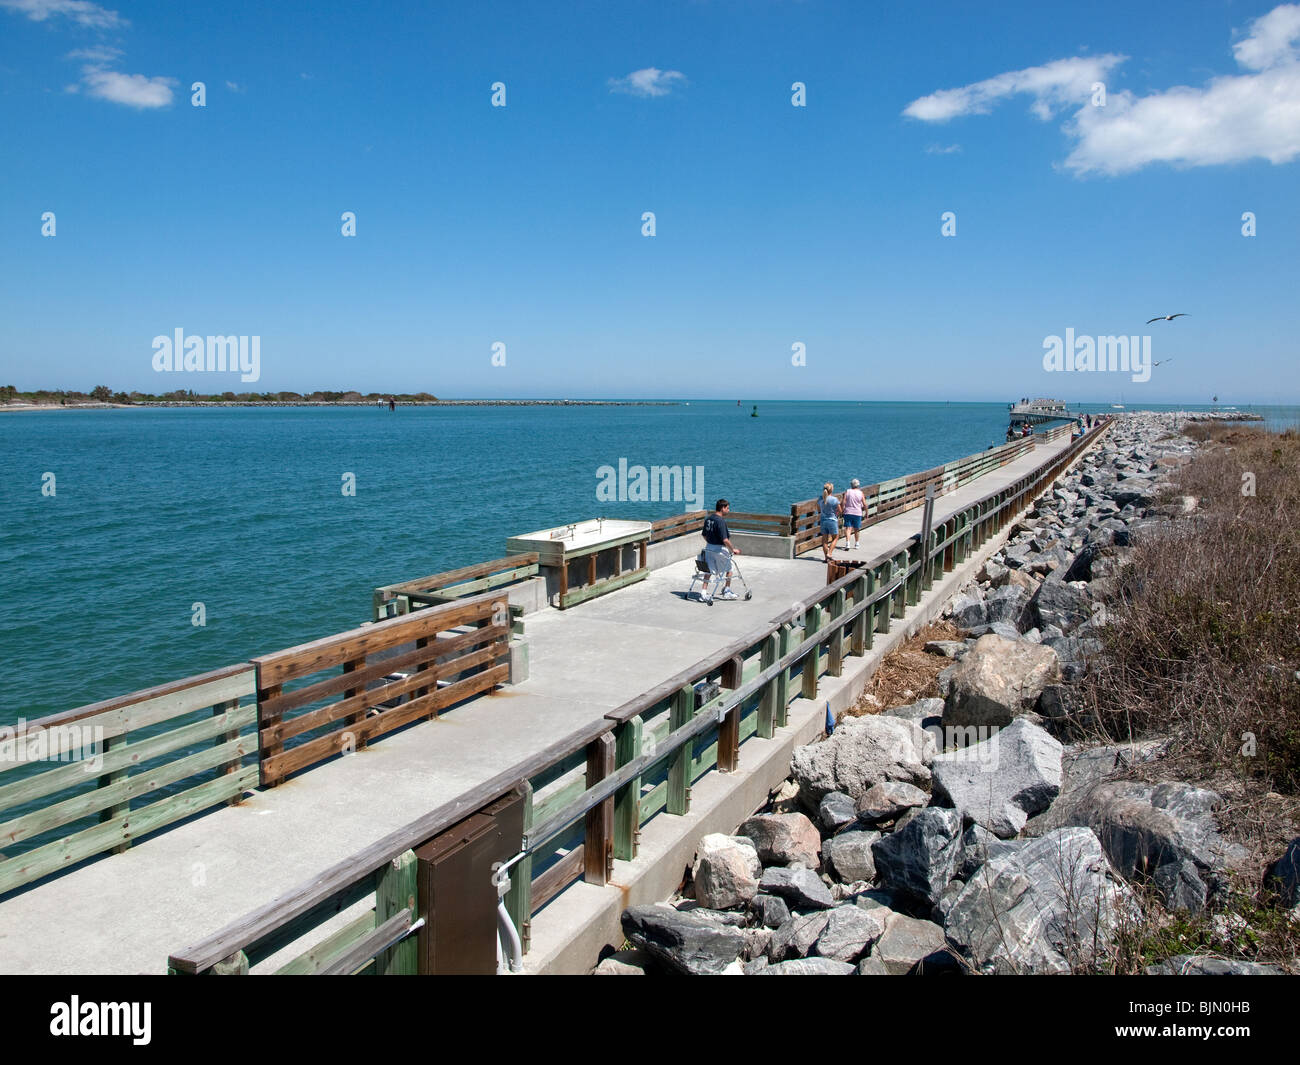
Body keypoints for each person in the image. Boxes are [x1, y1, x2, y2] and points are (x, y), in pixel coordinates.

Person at [701, 498, 741, 602]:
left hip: (709, 547)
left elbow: (704, 535)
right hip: (719, 549)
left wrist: (710, 542)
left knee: (709, 570)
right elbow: (725, 540)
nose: (729, 510)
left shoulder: (708, 519)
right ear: (722, 508)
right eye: (727, 508)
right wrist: (733, 550)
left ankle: (703, 593)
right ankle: (727, 591)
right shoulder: (721, 521)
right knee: (729, 569)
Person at [818, 483, 840, 563]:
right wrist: (837, 514)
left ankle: (826, 558)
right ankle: (829, 553)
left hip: (823, 520)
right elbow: (840, 510)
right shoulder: (834, 499)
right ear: (831, 490)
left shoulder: (820, 499)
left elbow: (818, 509)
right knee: (836, 537)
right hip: (832, 520)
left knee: (824, 540)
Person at [841, 478, 865, 550]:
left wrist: (842, 510)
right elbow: (864, 504)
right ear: (858, 485)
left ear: (851, 485)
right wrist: (866, 512)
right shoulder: (861, 493)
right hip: (857, 513)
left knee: (848, 528)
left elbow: (843, 502)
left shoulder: (847, 491)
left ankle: (847, 543)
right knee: (856, 529)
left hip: (848, 512)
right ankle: (857, 543)